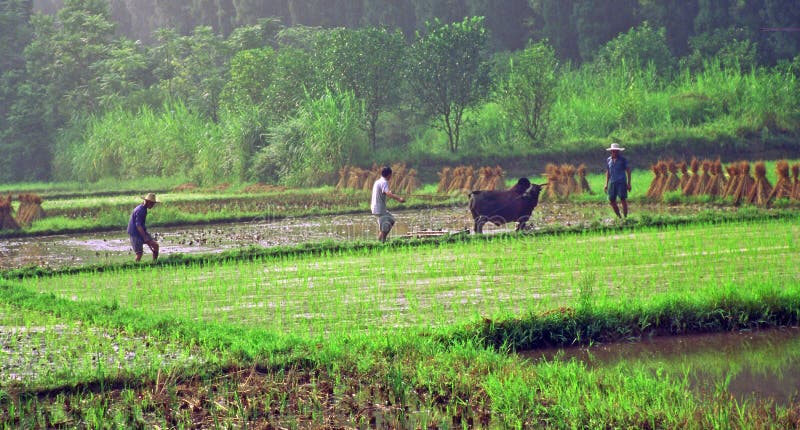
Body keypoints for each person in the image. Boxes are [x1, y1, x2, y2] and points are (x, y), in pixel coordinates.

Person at [371, 166, 405, 242]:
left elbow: (385, 192)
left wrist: (389, 192)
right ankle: (382, 240)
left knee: (389, 220)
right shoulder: (384, 182)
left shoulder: (378, 181)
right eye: (391, 175)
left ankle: (381, 240)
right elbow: (388, 194)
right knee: (388, 222)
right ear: (389, 175)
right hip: (379, 208)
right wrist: (399, 199)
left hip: (376, 207)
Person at [127, 193, 160, 261]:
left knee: (155, 245)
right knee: (139, 254)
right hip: (135, 234)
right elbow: (138, 225)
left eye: (154, 204)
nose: (153, 205)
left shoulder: (143, 208)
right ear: (148, 202)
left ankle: (155, 263)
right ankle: (135, 265)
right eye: (152, 203)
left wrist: (146, 236)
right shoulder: (141, 210)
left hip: (141, 232)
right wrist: (145, 237)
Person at [604, 143, 632, 219]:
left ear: (618, 151)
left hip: (621, 182)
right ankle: (619, 217)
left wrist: (629, 183)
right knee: (611, 200)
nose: (614, 152)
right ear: (611, 151)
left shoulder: (623, 160)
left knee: (623, 199)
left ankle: (625, 218)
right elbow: (608, 172)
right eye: (613, 151)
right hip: (612, 182)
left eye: (616, 151)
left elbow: (628, 171)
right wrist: (606, 184)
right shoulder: (608, 160)